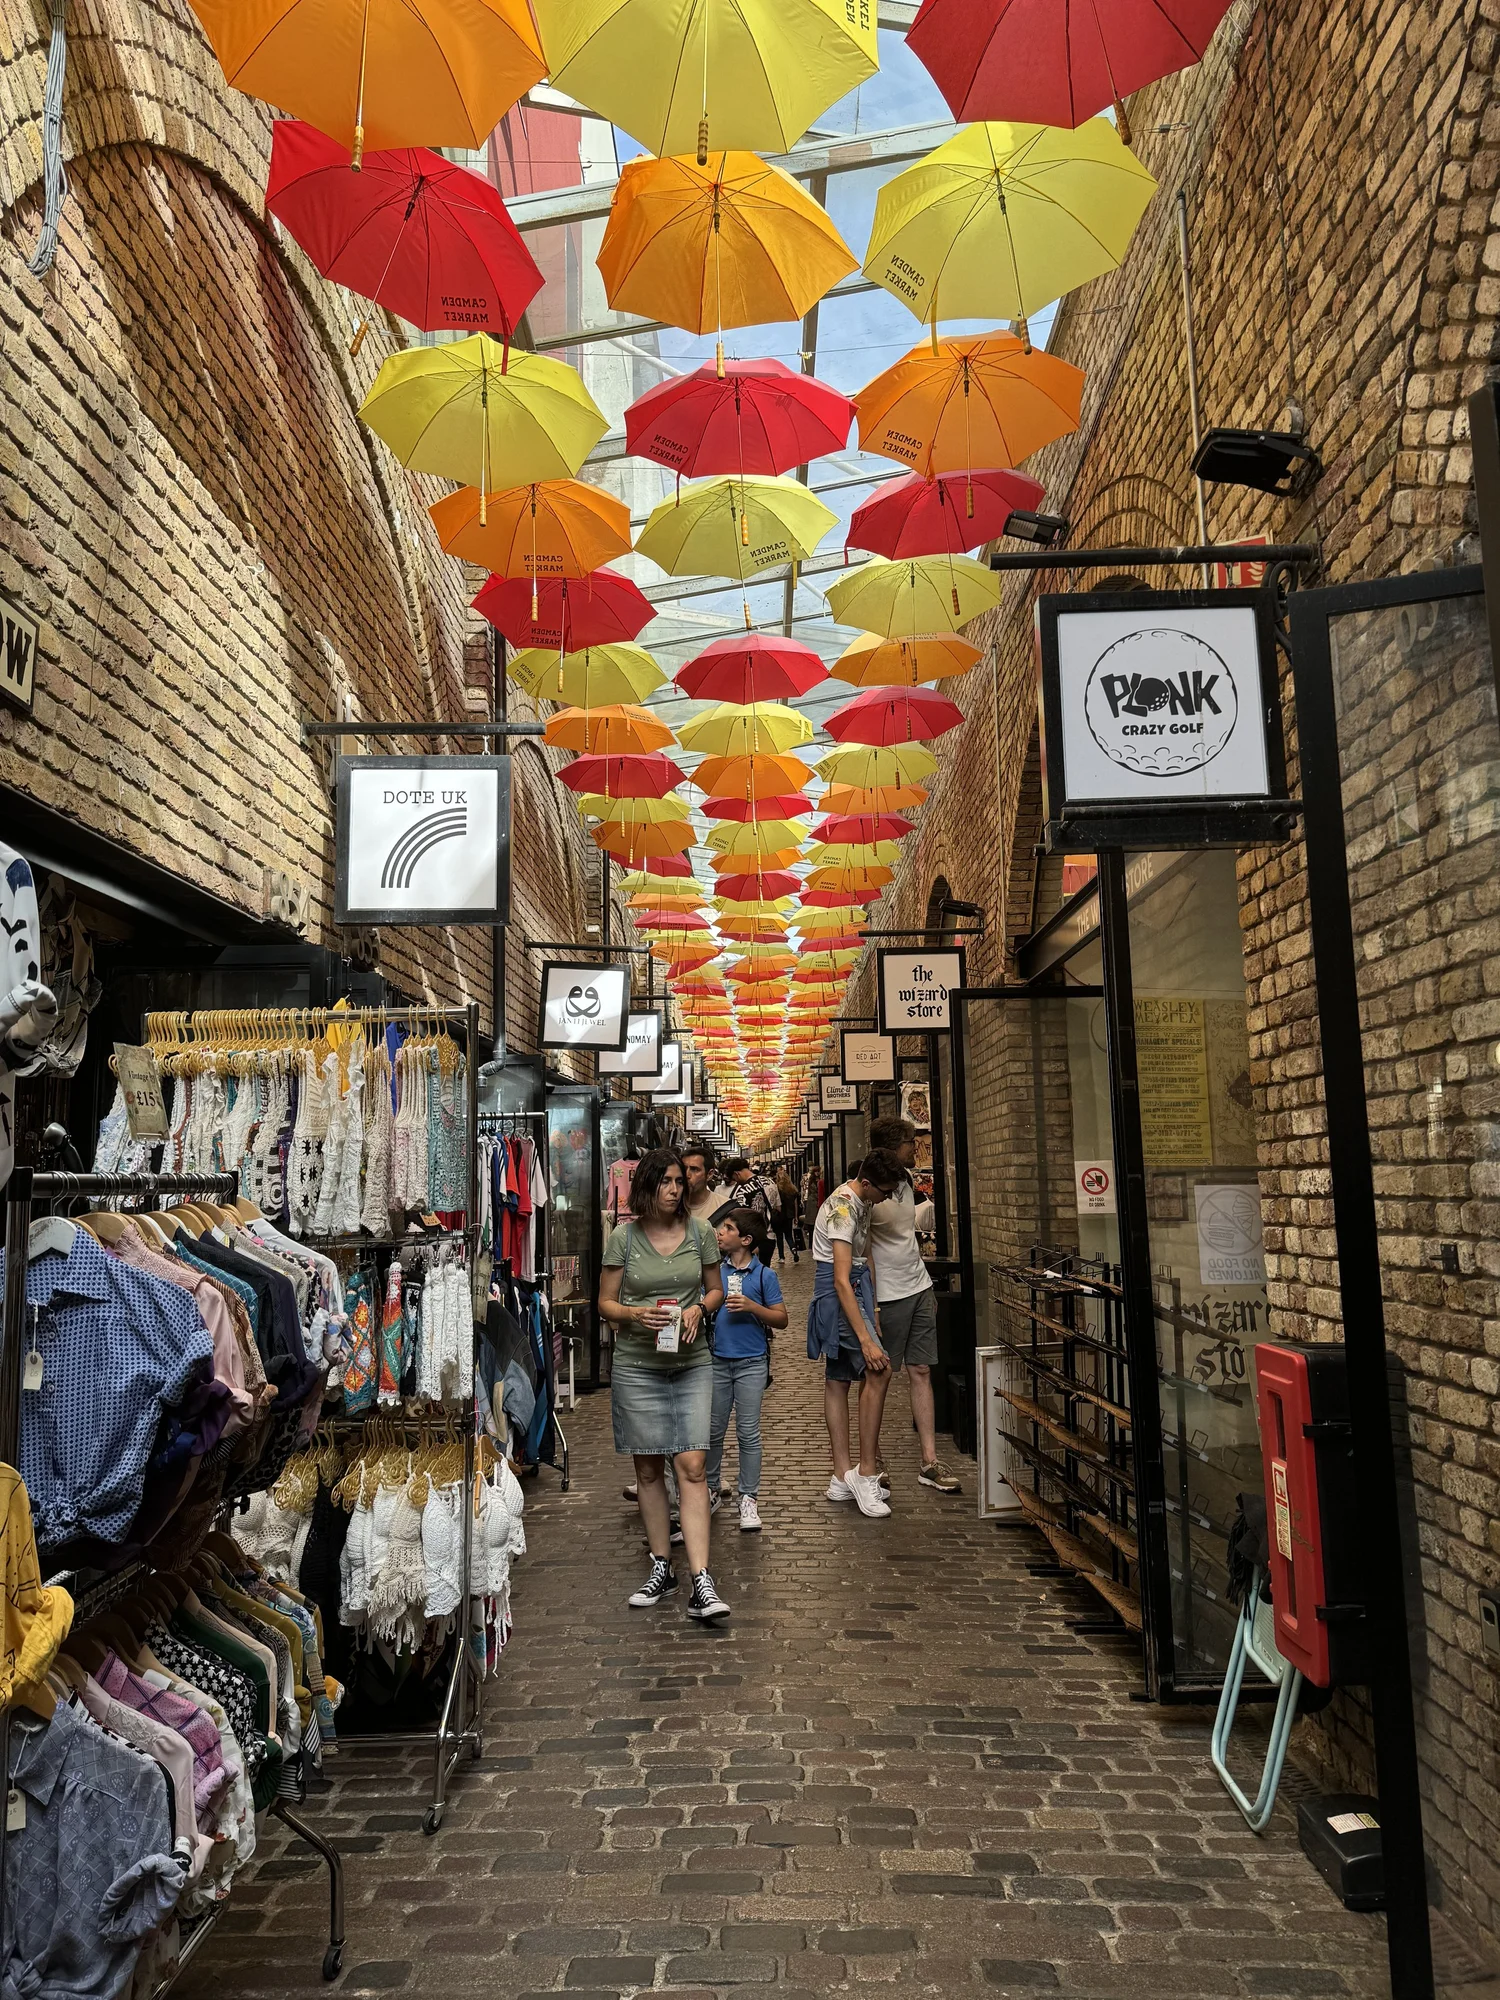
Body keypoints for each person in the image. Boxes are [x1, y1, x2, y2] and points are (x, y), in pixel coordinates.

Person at [598, 1148, 730, 1620]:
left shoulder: (701, 1232)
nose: (675, 1190)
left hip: (691, 1361)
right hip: (637, 1364)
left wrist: (699, 1309)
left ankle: (701, 1579)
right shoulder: (624, 1238)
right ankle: (661, 1566)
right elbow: (605, 1303)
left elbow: (716, 1289)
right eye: (666, 1182)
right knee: (649, 1469)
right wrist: (636, 1314)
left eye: (679, 1181)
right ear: (647, 1186)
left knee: (692, 1464)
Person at [806, 1150, 905, 1520]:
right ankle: (864, 1473)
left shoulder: (862, 1202)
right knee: (879, 1370)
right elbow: (840, 1279)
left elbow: (866, 1259)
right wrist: (864, 1337)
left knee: (838, 1379)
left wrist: (873, 1311)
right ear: (866, 1183)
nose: (887, 1198)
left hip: (855, 1290)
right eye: (884, 1191)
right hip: (840, 1293)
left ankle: (840, 1477)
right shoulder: (843, 1208)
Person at [866, 1117, 961, 1495]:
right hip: (886, 1295)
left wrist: (928, 1289)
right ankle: (872, 1459)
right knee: (879, 1376)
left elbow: (908, 1236)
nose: (916, 1148)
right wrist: (871, 1306)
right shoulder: (866, 1188)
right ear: (893, 1146)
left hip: (918, 1286)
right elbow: (860, 1253)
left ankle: (929, 1461)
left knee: (921, 1369)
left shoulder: (906, 1181)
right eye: (911, 1142)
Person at [705, 1207, 787, 1533]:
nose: (720, 1232)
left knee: (748, 1432)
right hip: (717, 1361)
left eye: (728, 1228)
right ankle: (710, 1488)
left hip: (752, 1362)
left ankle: (749, 1497)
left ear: (746, 1239)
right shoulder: (715, 1272)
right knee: (713, 1430)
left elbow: (781, 1319)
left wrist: (753, 1307)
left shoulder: (765, 1276)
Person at [681, 1140, 719, 1226]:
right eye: (683, 1169)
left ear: (709, 1174)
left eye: (694, 1169)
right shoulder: (669, 1206)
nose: (687, 1175)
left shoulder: (724, 1207)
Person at [771, 1165, 801, 1265]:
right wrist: (796, 1216)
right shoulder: (793, 1190)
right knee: (789, 1235)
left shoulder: (776, 1189)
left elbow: (775, 1204)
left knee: (779, 1236)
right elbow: (795, 1204)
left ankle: (781, 1257)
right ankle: (793, 1249)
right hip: (789, 1215)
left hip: (779, 1216)